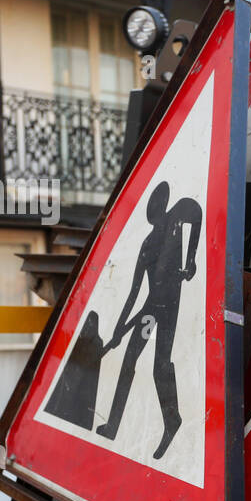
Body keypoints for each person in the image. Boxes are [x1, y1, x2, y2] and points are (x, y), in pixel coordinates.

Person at [96, 180, 202, 460]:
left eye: (158, 207)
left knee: (160, 366)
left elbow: (197, 211)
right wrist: (119, 330)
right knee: (129, 360)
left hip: (170, 308)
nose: (155, 214)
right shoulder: (147, 244)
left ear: (163, 206)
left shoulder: (176, 222)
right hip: (149, 308)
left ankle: (172, 421)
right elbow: (133, 293)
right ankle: (113, 425)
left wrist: (191, 259)